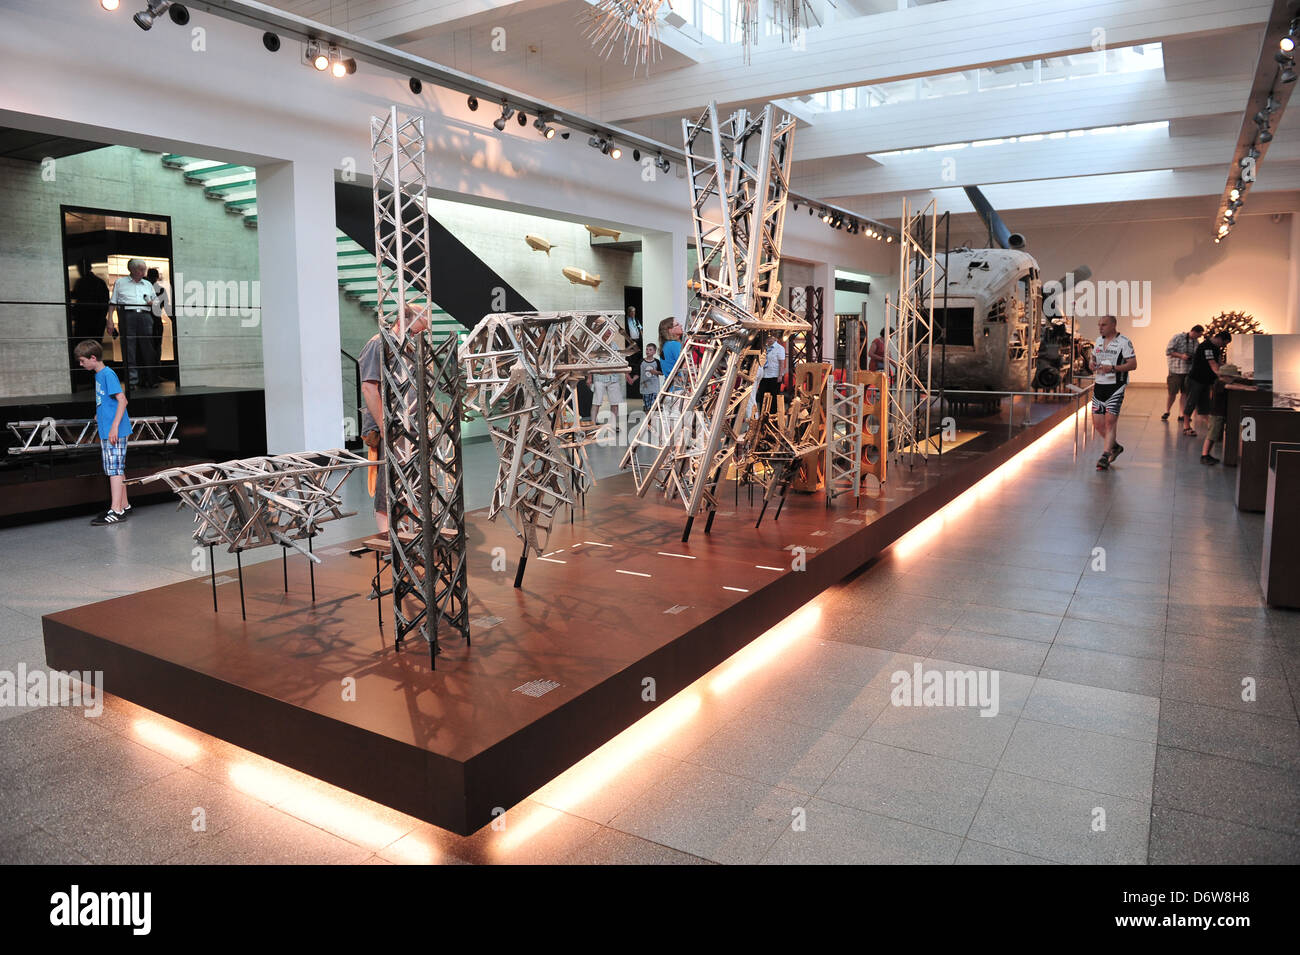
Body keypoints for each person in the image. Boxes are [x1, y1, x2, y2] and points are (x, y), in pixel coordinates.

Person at [359, 306, 430, 533]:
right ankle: (386, 540)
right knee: (388, 484)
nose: (418, 336)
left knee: (414, 480)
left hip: (412, 425)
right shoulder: (378, 344)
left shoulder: (409, 347)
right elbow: (369, 388)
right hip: (392, 427)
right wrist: (383, 425)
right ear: (403, 321)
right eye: (416, 331)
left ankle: (412, 534)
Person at [74, 340, 132, 525]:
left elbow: (122, 400)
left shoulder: (107, 374)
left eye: (82, 361)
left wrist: (114, 425)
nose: (80, 364)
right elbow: (107, 401)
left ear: (93, 358)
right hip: (107, 429)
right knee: (116, 468)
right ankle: (123, 505)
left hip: (115, 430)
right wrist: (100, 414)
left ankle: (116, 510)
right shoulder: (99, 375)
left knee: (115, 469)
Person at [1089, 314, 1137, 470]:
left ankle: (1105, 455)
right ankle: (1115, 447)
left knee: (1110, 422)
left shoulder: (1124, 342)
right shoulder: (1098, 341)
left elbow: (1133, 364)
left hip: (1116, 386)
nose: (1100, 327)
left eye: (1103, 325)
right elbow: (1093, 357)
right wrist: (1091, 363)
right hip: (1099, 385)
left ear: (1113, 325)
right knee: (1098, 424)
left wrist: (1114, 368)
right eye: (1099, 325)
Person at [108, 258, 155, 389]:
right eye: (141, 269)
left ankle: (149, 379)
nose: (144, 272)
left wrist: (153, 303)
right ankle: (132, 381)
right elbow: (113, 302)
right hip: (127, 315)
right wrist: (110, 320)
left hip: (145, 315)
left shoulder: (147, 284)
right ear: (132, 269)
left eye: (144, 269)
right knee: (129, 348)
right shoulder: (120, 283)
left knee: (148, 348)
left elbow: (156, 302)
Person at [1200, 363, 1254, 465]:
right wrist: (1245, 388)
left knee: (1214, 435)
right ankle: (1204, 455)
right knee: (1212, 435)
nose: (1233, 379)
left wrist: (1246, 386)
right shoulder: (1219, 383)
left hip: (1220, 413)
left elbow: (1234, 385)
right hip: (1216, 414)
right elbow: (1231, 386)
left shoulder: (1222, 382)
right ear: (1225, 376)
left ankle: (1207, 454)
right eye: (1232, 377)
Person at [70, 260, 111, 390]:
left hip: (86, 322)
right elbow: (105, 303)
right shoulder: (98, 282)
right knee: (94, 351)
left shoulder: (83, 282)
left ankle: (86, 379)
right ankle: (94, 379)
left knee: (84, 350)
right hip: (94, 322)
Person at [1183, 330, 1231, 437]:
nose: (1224, 346)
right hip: (1196, 379)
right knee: (1191, 402)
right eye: (1224, 343)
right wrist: (1222, 377)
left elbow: (1219, 362)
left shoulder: (1216, 348)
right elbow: (1213, 364)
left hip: (1206, 381)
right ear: (1219, 339)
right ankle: (1186, 427)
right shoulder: (1206, 346)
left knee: (1205, 405)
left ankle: (1211, 426)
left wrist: (1230, 370)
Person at [1163, 324, 1202, 422]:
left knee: (1185, 393)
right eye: (1199, 335)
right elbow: (1168, 351)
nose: (1199, 337)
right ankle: (1167, 411)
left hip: (1188, 371)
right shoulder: (1178, 337)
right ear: (1194, 331)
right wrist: (1181, 356)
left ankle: (1181, 414)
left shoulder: (1196, 342)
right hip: (1175, 369)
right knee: (1172, 393)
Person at [147, 268, 171, 387]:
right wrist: (174, 319)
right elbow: (166, 306)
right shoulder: (160, 290)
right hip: (155, 321)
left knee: (150, 349)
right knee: (156, 349)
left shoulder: (145, 288)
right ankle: (153, 376)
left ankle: (150, 376)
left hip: (150, 321)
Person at [757, 331, 787, 413]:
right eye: (768, 338)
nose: (769, 340)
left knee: (773, 397)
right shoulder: (764, 348)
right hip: (764, 375)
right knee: (762, 397)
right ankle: (762, 414)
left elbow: (781, 363)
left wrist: (780, 375)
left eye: (771, 338)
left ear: (775, 338)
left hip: (774, 376)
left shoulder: (780, 348)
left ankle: (772, 416)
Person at [658, 317, 683, 391]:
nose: (681, 325)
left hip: (668, 389)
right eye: (677, 324)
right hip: (677, 391)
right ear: (670, 330)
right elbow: (686, 368)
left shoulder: (666, 345)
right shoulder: (674, 345)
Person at [640, 343, 662, 411]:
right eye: (647, 349)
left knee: (653, 407)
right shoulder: (641, 362)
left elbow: (662, 372)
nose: (648, 351)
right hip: (645, 388)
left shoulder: (657, 362)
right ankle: (648, 420)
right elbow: (638, 373)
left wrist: (656, 372)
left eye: (650, 350)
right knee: (647, 408)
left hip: (654, 388)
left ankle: (652, 420)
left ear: (654, 352)